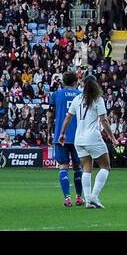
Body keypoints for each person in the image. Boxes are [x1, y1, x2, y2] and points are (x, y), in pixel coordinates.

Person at [58, 74, 116, 209]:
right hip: (92, 138)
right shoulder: (98, 99)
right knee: (105, 166)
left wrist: (62, 134)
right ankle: (94, 196)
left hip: (79, 139)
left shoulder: (77, 99)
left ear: (83, 84)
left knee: (86, 169)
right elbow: (104, 120)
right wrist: (112, 137)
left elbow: (68, 118)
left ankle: (88, 200)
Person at [51, 71, 84, 207]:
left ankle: (67, 198)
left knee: (63, 166)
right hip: (77, 136)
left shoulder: (56, 94)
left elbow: (50, 114)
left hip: (61, 135)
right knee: (78, 168)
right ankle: (78, 197)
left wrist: (49, 132)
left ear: (63, 82)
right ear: (76, 81)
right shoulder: (80, 95)